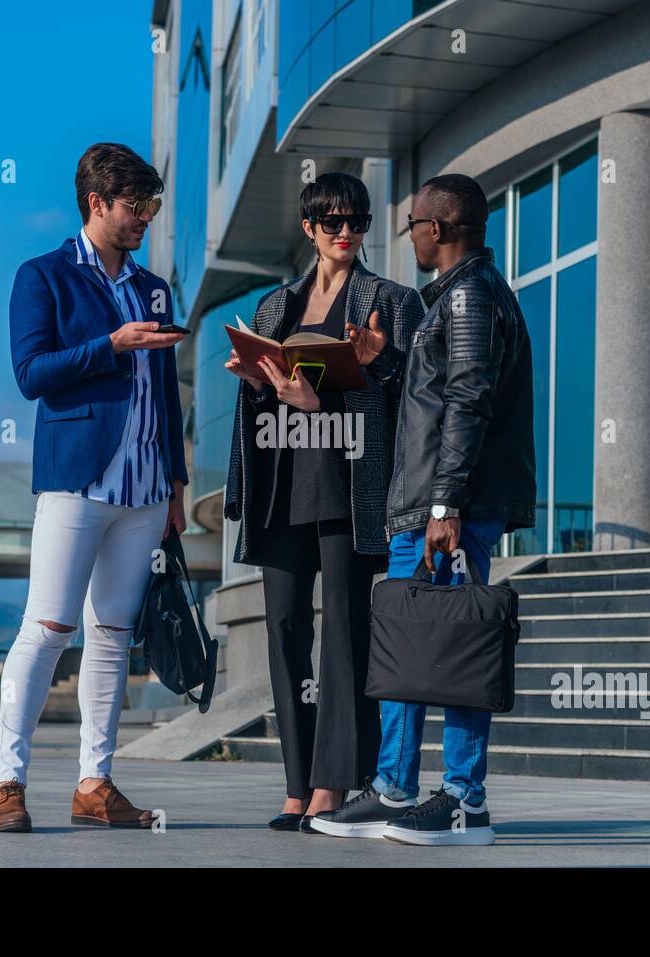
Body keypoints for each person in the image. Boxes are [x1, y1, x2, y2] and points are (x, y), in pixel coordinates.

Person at [311, 173, 537, 846]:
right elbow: (437, 395)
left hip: (448, 511)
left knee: (459, 648)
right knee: (410, 645)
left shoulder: (469, 298)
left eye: (412, 223)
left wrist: (446, 506)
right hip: (425, 507)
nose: (407, 234)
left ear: (436, 229)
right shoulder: (454, 301)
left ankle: (466, 800)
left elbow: (468, 402)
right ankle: (394, 789)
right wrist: (386, 364)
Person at [0, 143, 188, 832]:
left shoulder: (155, 287)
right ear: (97, 202)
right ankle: (6, 782)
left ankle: (95, 784)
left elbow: (166, 392)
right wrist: (112, 345)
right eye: (137, 207)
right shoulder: (41, 276)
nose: (146, 220)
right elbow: (31, 373)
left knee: (111, 635)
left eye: (152, 208)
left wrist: (177, 482)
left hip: (147, 487)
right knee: (46, 630)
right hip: (77, 479)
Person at [223, 172, 424, 832]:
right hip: (282, 489)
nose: (346, 232)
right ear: (309, 230)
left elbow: (416, 398)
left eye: (358, 221)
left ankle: (334, 785)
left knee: (344, 634)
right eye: (333, 222)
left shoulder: (392, 302)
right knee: (284, 632)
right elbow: (259, 403)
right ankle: (295, 782)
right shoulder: (273, 308)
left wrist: (340, 389)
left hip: (350, 489)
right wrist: (255, 383)